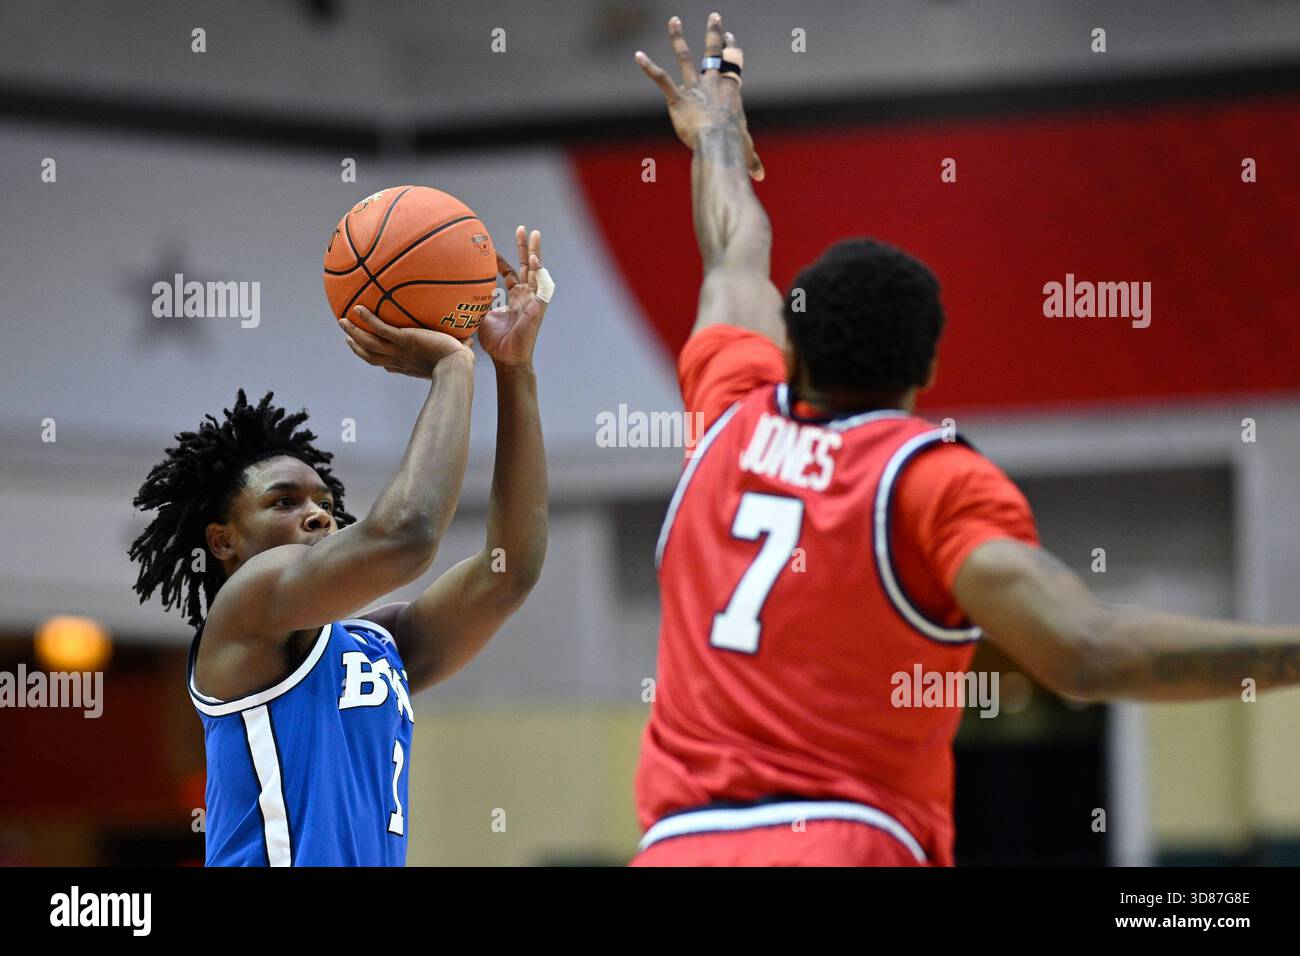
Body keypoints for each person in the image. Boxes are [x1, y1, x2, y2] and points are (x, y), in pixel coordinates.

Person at [630, 13, 1300, 867]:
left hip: (677, 847)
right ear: (929, 369)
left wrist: (717, 134)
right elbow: (1085, 654)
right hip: (843, 842)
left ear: (789, 347)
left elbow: (736, 247)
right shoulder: (930, 482)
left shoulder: (726, 411)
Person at [128, 228, 553, 866]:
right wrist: (452, 366)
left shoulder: (381, 647)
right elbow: (407, 537)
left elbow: (509, 571)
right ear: (224, 541)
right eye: (285, 502)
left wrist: (514, 370)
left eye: (326, 504)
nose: (317, 516)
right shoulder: (244, 611)